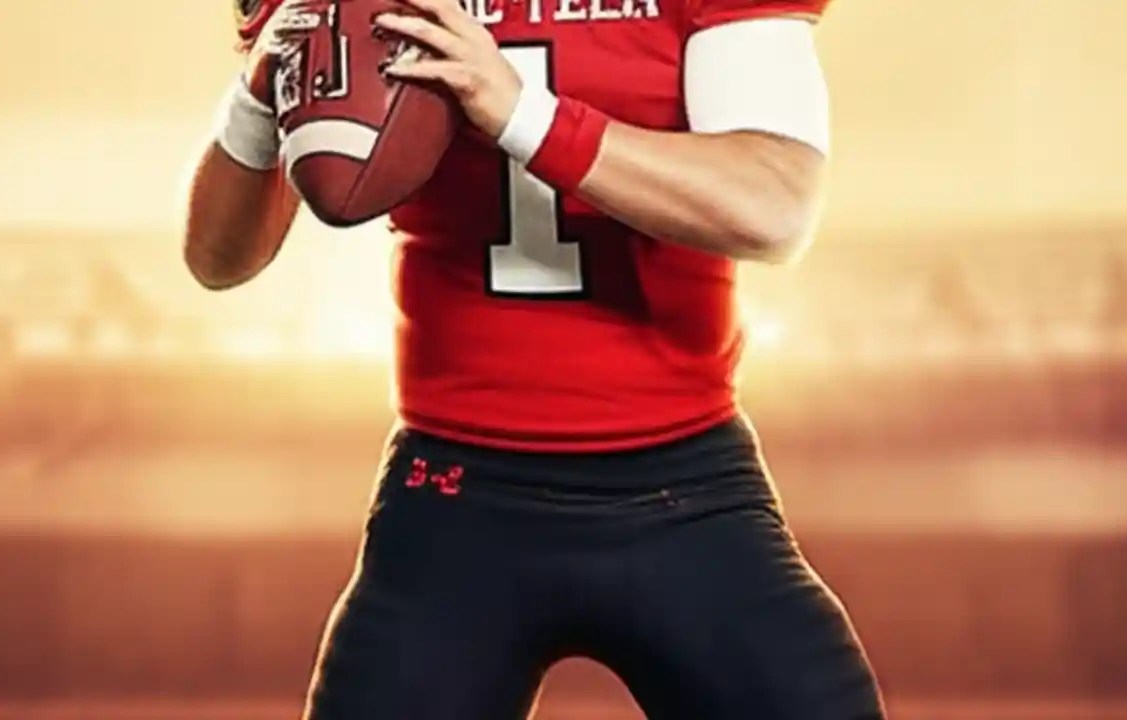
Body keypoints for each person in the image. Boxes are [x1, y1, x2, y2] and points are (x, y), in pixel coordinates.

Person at [184, 0, 887, 717]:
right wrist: (257, 94)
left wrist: (524, 116)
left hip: (683, 487)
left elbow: (774, 204)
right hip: (453, 496)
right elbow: (217, 258)